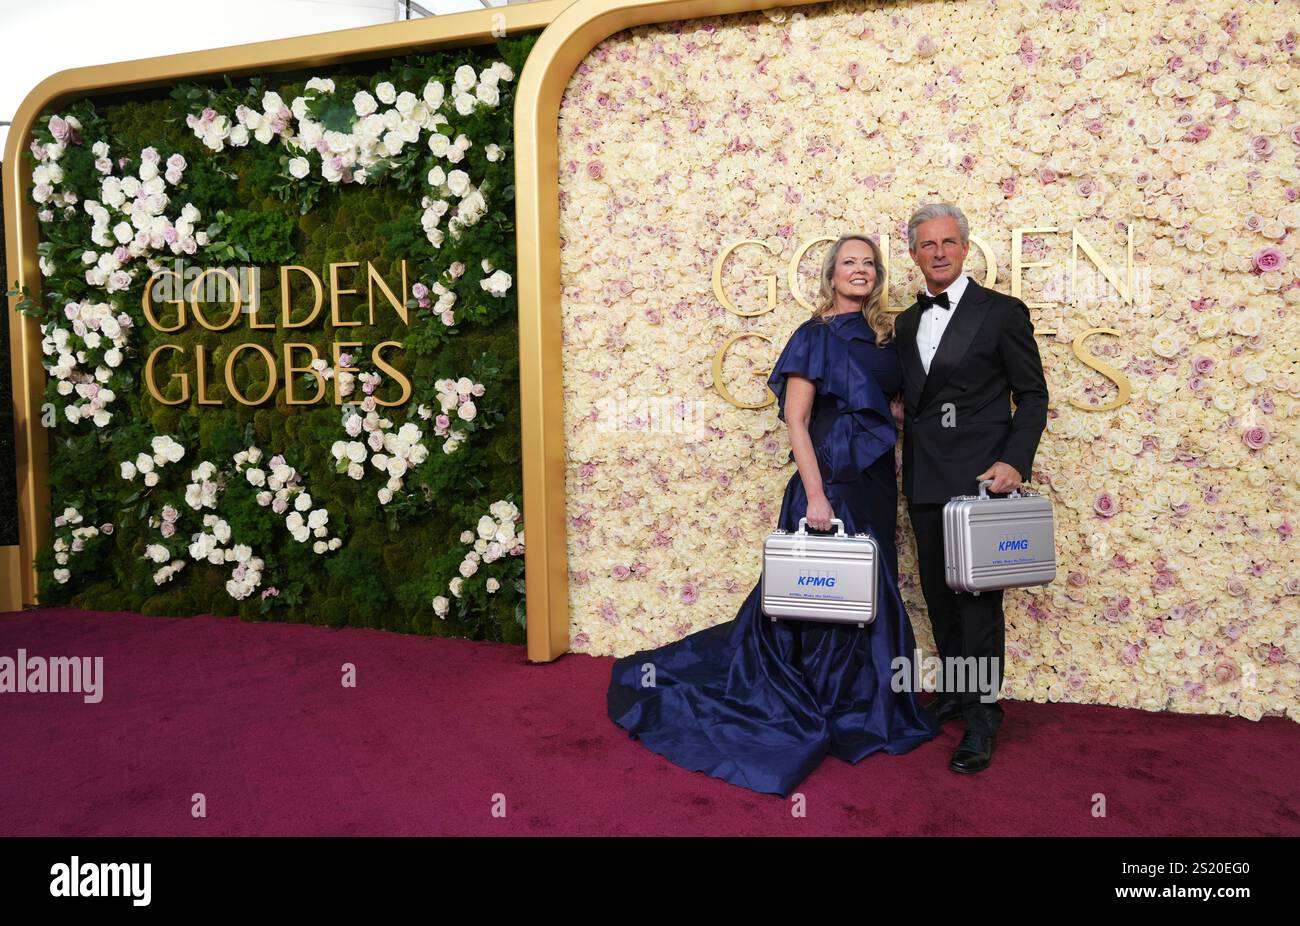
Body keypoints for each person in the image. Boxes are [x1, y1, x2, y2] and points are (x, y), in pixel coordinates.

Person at [606, 234, 939, 798]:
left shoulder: (887, 338)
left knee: (865, 593)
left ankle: (863, 701)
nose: (860, 270)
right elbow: (797, 420)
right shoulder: (812, 335)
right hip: (828, 482)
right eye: (849, 263)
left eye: (869, 263)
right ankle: (821, 701)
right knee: (821, 599)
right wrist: (815, 496)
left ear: (878, 275)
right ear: (831, 275)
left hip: (877, 485)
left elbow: (890, 409)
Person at [894, 203, 1049, 774]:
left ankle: (984, 718)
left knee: (978, 605)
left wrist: (1015, 460)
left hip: (984, 481)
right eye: (927, 245)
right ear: (913, 254)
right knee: (938, 595)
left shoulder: (1002, 312)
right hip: (927, 478)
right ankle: (959, 693)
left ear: (965, 248)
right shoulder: (908, 322)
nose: (938, 252)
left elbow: (1032, 396)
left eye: (948, 242)